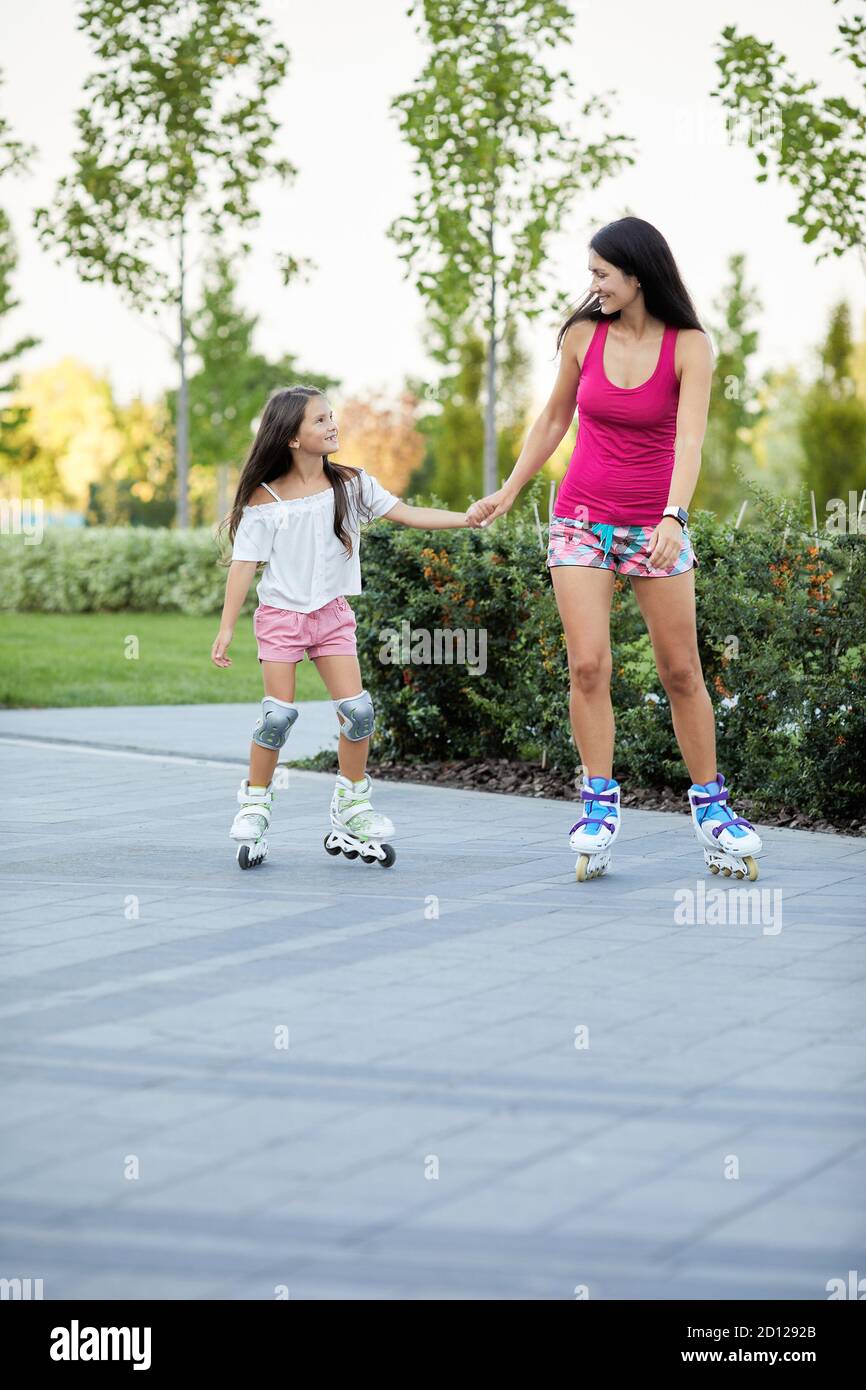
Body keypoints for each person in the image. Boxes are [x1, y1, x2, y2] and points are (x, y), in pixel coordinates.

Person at [467, 217, 763, 882]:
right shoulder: (581, 335)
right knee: (589, 667)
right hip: (580, 520)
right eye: (591, 272)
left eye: (602, 273)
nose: (592, 284)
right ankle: (598, 803)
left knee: (681, 670)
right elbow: (552, 419)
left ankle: (712, 808)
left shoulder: (691, 346)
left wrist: (674, 516)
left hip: (654, 526)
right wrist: (511, 491)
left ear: (638, 274)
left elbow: (689, 441)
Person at [212, 384, 475, 869]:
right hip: (282, 619)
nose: (332, 425)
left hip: (331, 616)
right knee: (277, 717)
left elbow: (408, 514)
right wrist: (226, 628)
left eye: (331, 416)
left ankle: (351, 806)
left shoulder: (351, 484)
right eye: (319, 420)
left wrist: (468, 518)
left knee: (358, 713)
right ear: (291, 437)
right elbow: (244, 565)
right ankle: (254, 804)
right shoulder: (264, 498)